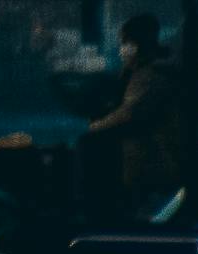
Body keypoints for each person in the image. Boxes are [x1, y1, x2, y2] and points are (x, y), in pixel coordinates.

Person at [81, 14, 190, 208]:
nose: (122, 49)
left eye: (125, 43)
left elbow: (130, 115)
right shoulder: (142, 72)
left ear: (137, 44)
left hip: (154, 162)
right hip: (149, 160)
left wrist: (96, 127)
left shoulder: (152, 75)